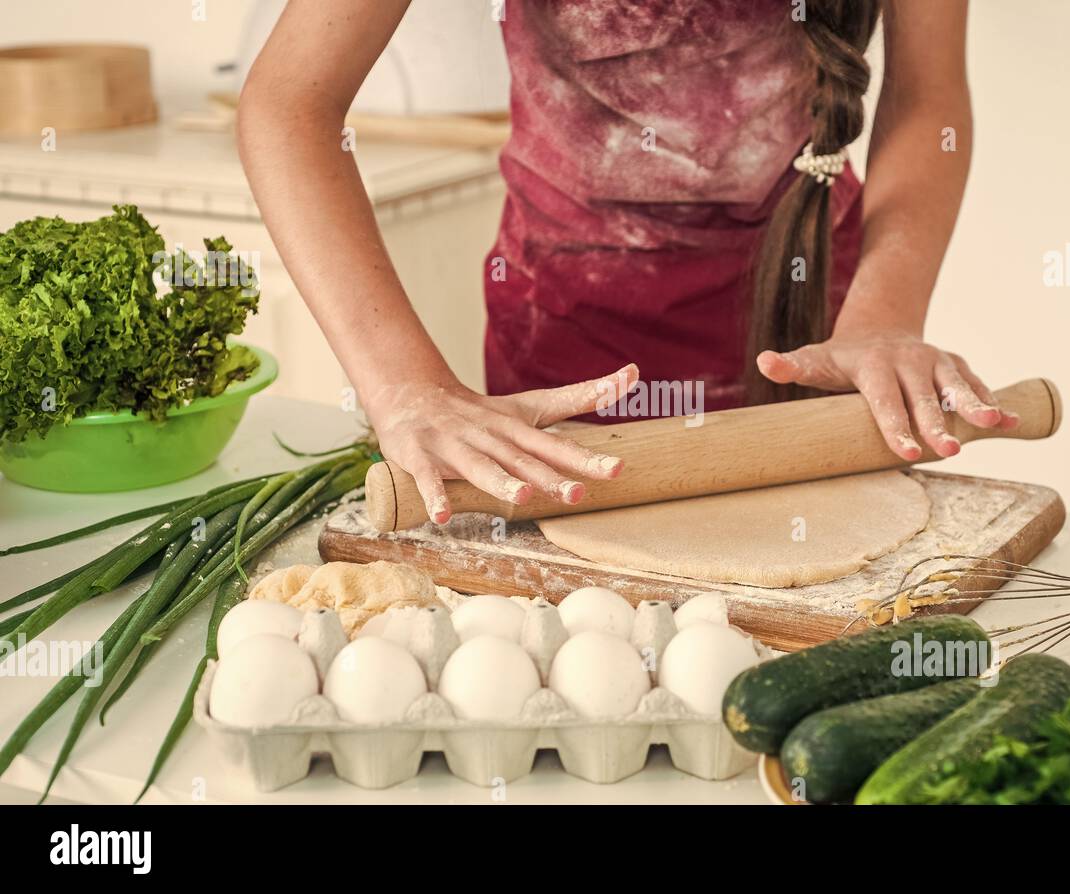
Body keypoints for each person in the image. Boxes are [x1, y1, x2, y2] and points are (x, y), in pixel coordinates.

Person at [238, 0, 1018, 525]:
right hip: (561, 360)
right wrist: (404, 388)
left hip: (821, 339)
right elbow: (288, 107)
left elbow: (928, 96)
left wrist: (883, 318)